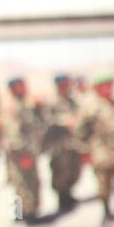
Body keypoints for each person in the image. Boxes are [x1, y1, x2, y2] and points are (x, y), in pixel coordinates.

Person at [76, 73, 114, 222]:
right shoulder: (90, 108)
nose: (108, 88)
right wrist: (85, 151)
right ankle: (107, 211)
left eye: (110, 85)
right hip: (103, 154)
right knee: (104, 186)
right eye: (104, 86)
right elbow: (80, 132)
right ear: (97, 89)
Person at [0, 76, 43, 221]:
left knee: (25, 183)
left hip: (28, 151)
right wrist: (23, 154)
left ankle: (22, 213)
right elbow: (13, 133)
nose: (23, 88)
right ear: (13, 88)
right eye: (19, 86)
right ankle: (25, 214)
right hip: (19, 153)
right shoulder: (13, 106)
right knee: (23, 184)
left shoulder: (25, 102)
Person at [44, 73, 84, 214]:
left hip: (72, 143)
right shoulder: (52, 102)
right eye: (63, 84)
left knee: (74, 171)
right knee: (61, 173)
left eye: (67, 84)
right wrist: (63, 121)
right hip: (59, 145)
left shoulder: (72, 100)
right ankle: (62, 199)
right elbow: (46, 120)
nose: (66, 87)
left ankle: (69, 195)